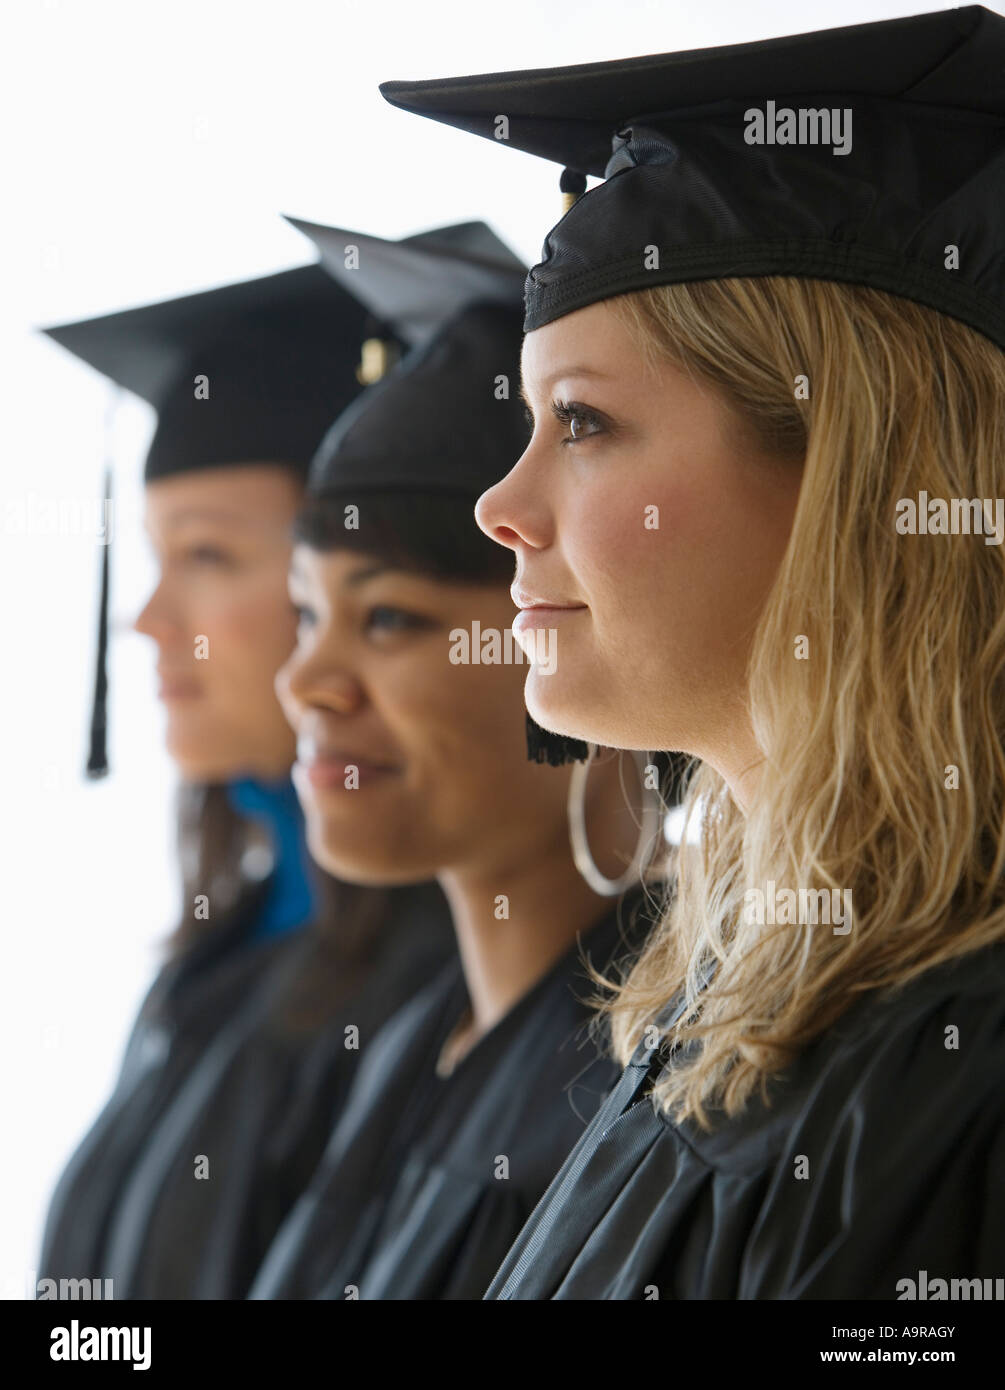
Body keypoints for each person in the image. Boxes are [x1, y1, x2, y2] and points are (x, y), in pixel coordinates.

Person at [381, 5, 1005, 1298]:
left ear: (851, 475)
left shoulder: (967, 1069)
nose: (500, 503)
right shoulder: (717, 1009)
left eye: (585, 422)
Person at [249, 215, 666, 1300]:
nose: (305, 682)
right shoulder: (401, 1048)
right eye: (304, 615)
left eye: (388, 619)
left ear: (547, 620)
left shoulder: (656, 1081)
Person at [37, 259, 455, 1299]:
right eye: (152, 557)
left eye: (209, 556)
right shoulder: (220, 953)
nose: (148, 619)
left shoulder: (456, 982)